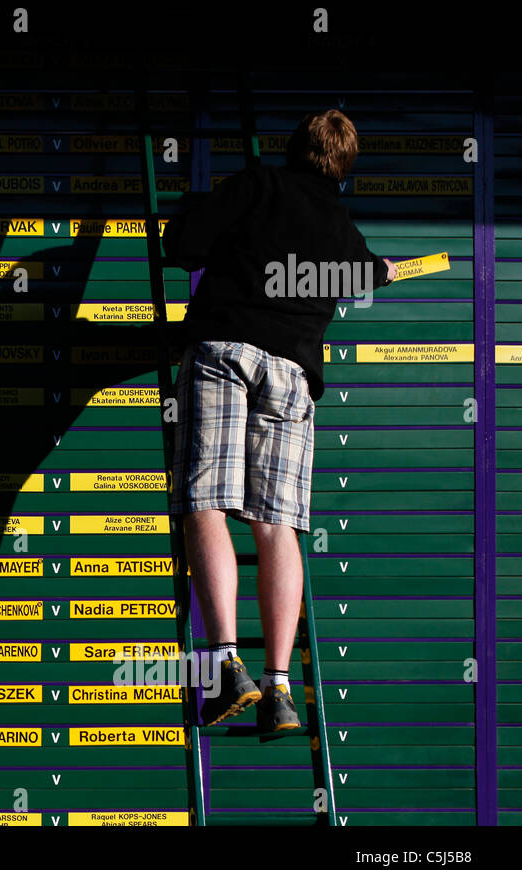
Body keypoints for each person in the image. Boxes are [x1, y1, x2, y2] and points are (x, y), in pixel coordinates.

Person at [162, 109, 397, 733]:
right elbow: (366, 272)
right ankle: (280, 689)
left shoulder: (258, 185)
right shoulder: (342, 228)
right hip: (294, 374)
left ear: (291, 149)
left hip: (226, 352)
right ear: (344, 168)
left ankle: (227, 664)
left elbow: (181, 247)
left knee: (206, 502)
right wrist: (381, 268)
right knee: (278, 525)